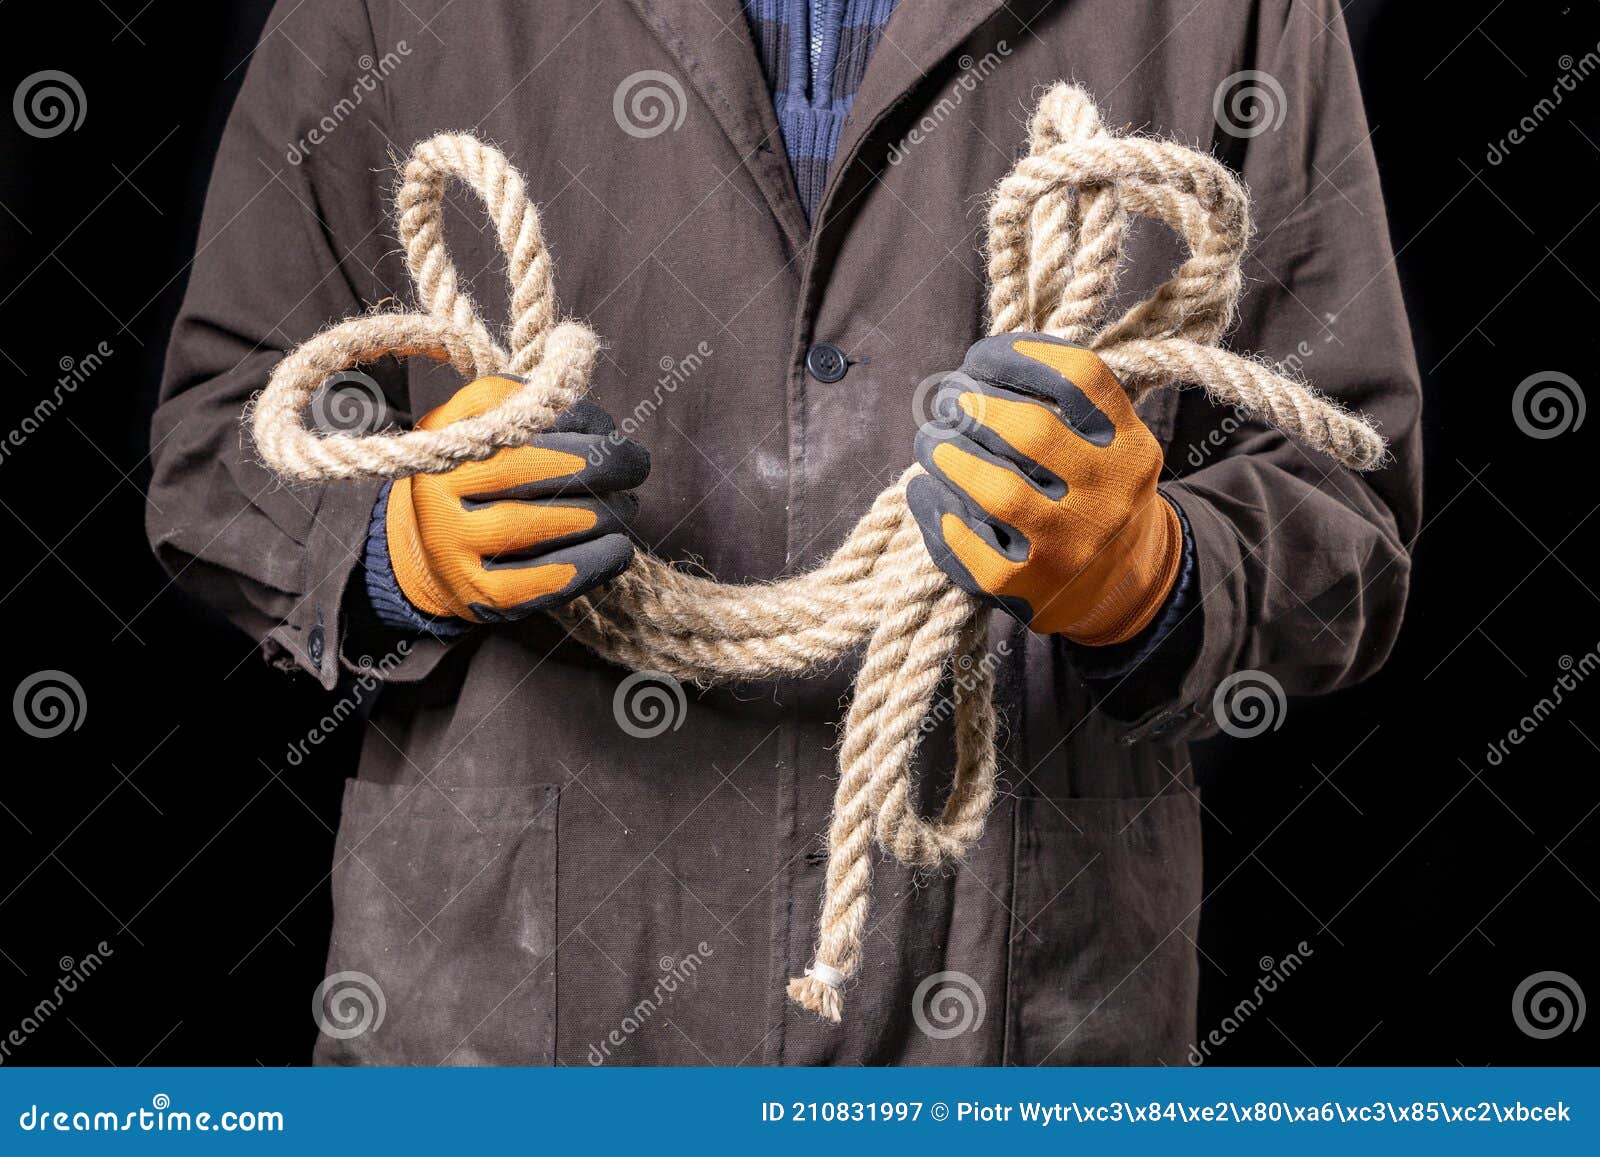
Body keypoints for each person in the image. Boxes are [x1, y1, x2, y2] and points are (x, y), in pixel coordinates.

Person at [148, 0, 1420, 1065]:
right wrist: (391, 548)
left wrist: (1155, 578)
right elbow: (220, 438)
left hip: (1011, 1015)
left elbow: (1342, 496)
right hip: (512, 1012)